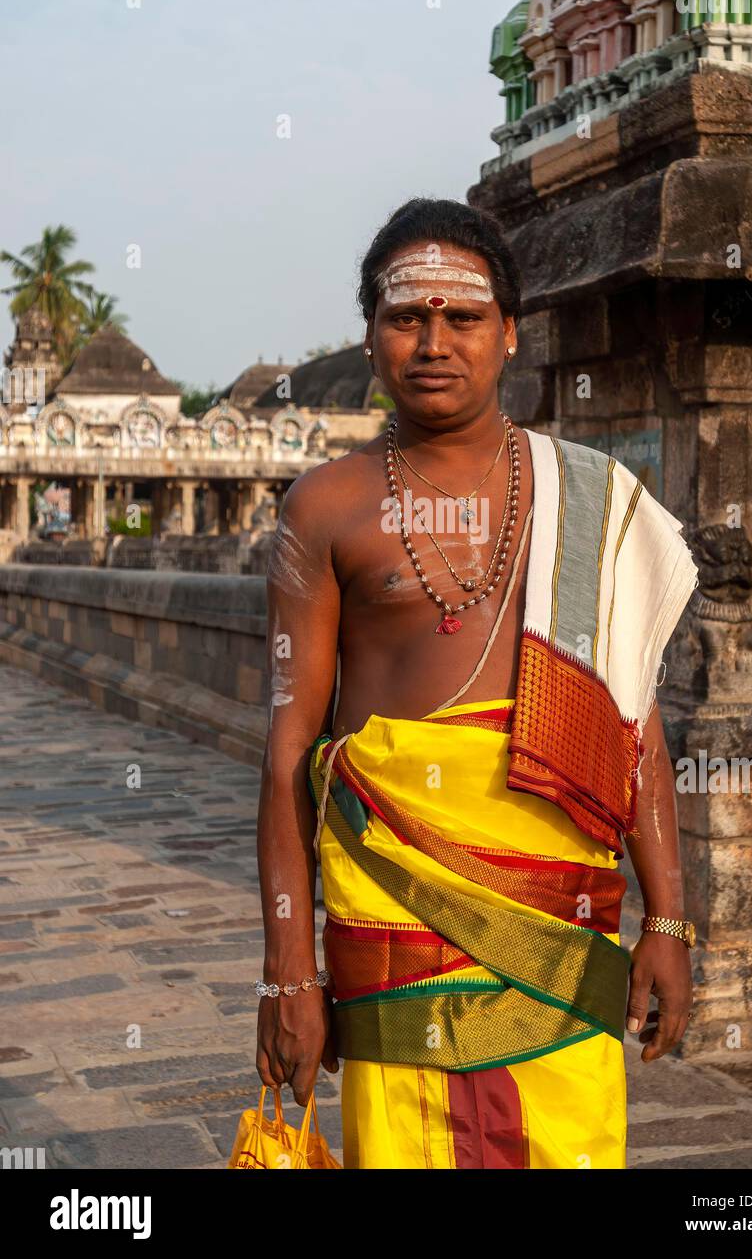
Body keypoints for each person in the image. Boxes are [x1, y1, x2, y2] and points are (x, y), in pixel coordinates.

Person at [255, 197, 698, 1169]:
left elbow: (634, 724)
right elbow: (292, 746)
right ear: (370, 335)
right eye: (406, 316)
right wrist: (287, 971)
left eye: (462, 318)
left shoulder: (591, 497)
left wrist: (667, 916)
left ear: (508, 333)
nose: (433, 342)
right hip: (392, 924)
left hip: (563, 930)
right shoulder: (324, 508)